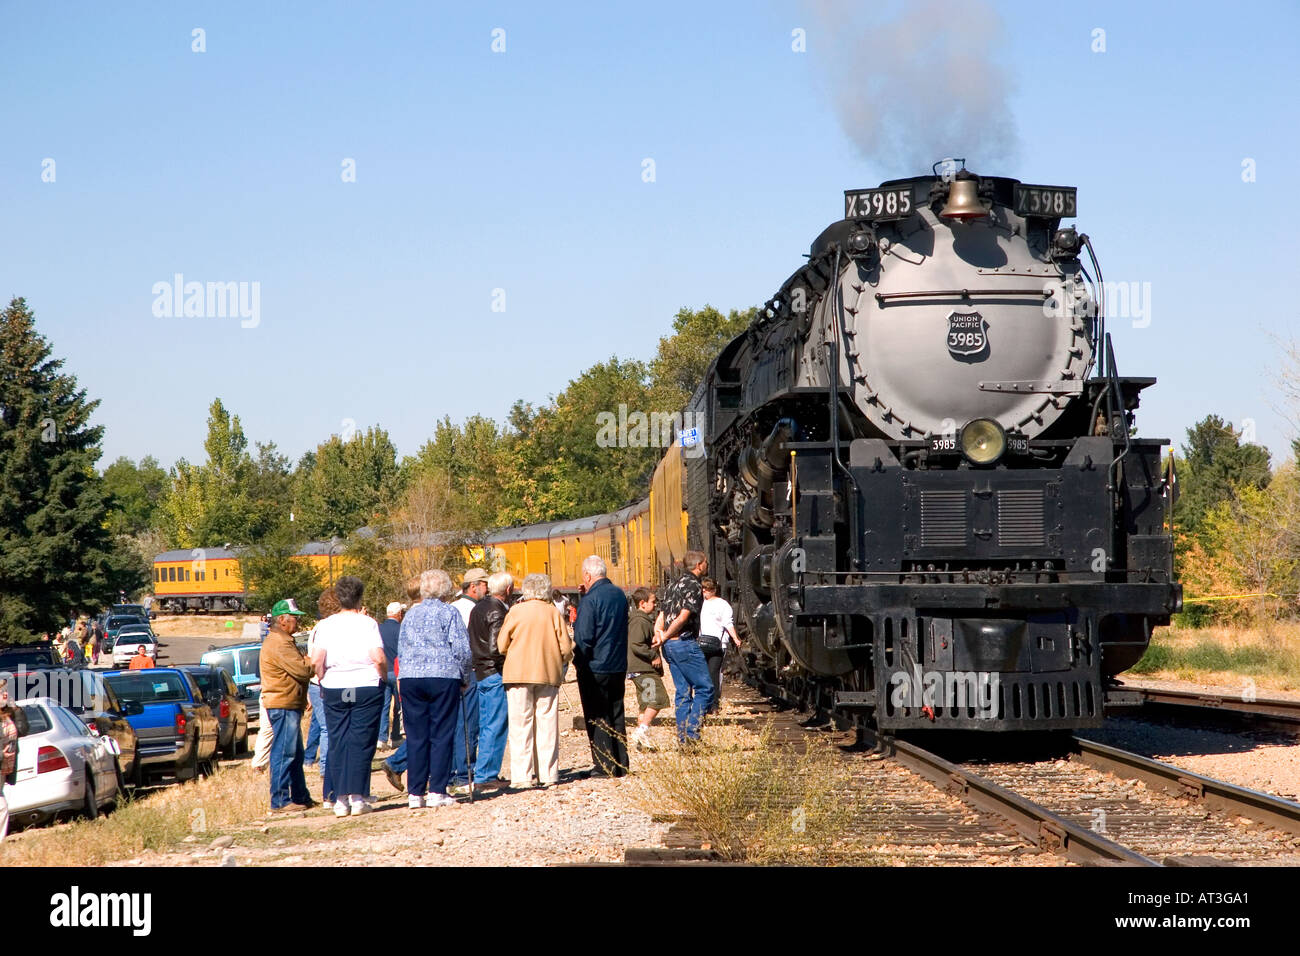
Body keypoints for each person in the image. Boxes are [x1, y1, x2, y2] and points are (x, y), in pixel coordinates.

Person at [310, 575, 386, 817]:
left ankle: (340, 799)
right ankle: (357, 797)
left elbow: (316, 660)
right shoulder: (368, 623)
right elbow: (379, 657)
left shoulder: (325, 625)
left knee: (338, 740)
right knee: (361, 741)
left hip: (335, 686)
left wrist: (323, 678)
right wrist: (382, 676)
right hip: (365, 684)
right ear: (359, 597)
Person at [397, 569, 472, 809]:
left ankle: (415, 792)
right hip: (442, 676)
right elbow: (461, 649)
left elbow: (402, 647)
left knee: (416, 735)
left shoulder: (410, 614)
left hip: (411, 678)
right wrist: (465, 676)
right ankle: (437, 790)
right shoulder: (449, 612)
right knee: (441, 733)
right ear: (446, 589)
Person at [498, 573, 573, 789]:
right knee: (548, 723)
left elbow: (502, 644)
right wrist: (564, 659)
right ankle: (548, 774)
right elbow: (566, 647)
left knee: (520, 724)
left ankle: (522, 776)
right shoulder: (552, 612)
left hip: (518, 673)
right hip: (548, 674)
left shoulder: (515, 611)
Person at [571, 556, 629, 777]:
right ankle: (621, 763)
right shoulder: (619, 594)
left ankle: (604, 766)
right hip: (617, 663)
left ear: (587, 575)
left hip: (595, 665)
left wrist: (578, 662)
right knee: (616, 713)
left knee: (597, 715)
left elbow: (583, 637)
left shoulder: (590, 600)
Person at [261, 598, 315, 813]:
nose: (298, 623)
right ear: (282, 621)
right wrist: (310, 660)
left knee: (295, 753)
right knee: (285, 752)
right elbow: (302, 670)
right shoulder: (280, 643)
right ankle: (280, 801)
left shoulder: (281, 640)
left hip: (287, 702)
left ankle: (301, 796)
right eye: (295, 618)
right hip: (283, 703)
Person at [655, 550, 712, 745]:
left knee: (682, 691)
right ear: (698, 566)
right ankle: (692, 733)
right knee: (705, 688)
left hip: (670, 645)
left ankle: (683, 740)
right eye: (705, 563)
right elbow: (683, 616)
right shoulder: (694, 585)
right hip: (683, 642)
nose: (707, 565)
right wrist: (667, 635)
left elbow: (663, 614)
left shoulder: (674, 584)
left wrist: (660, 633)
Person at [467, 571, 512, 784]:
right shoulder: (497, 610)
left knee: (486, 724)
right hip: (494, 672)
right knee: (496, 723)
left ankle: (483, 772)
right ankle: (486, 775)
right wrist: (506, 667)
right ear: (509, 590)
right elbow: (497, 647)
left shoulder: (478, 608)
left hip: (481, 672)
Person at [448, 568, 487, 794]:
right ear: (473, 587)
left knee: (453, 723)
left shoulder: (452, 608)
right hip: (468, 672)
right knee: (468, 724)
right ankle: (465, 771)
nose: (487, 589)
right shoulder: (473, 610)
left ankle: (455, 771)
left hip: (451, 674)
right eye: (484, 584)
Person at [304, 587, 341, 806]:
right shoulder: (325, 628)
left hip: (317, 683)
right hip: (322, 683)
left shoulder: (319, 628)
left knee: (325, 728)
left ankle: (322, 768)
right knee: (328, 729)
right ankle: (326, 772)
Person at [626, 588, 668, 752]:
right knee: (657, 698)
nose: (655, 603)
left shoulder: (640, 620)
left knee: (645, 704)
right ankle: (640, 732)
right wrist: (653, 655)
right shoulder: (640, 621)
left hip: (638, 668)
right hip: (643, 668)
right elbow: (636, 644)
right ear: (642, 603)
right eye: (653, 601)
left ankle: (642, 741)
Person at [699, 578, 740, 714]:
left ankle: (714, 705)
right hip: (701, 643)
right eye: (703, 588)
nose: (704, 591)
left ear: (714, 590)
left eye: (707, 588)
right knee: (703, 675)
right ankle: (705, 705)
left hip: (717, 645)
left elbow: (728, 623)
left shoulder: (723, 605)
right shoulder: (700, 604)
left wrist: (735, 638)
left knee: (713, 674)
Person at [377, 601, 404, 750]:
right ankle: (395, 736)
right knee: (398, 706)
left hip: (383, 670)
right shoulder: (401, 629)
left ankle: (382, 738)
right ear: (399, 614)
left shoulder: (379, 629)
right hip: (397, 670)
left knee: (384, 706)